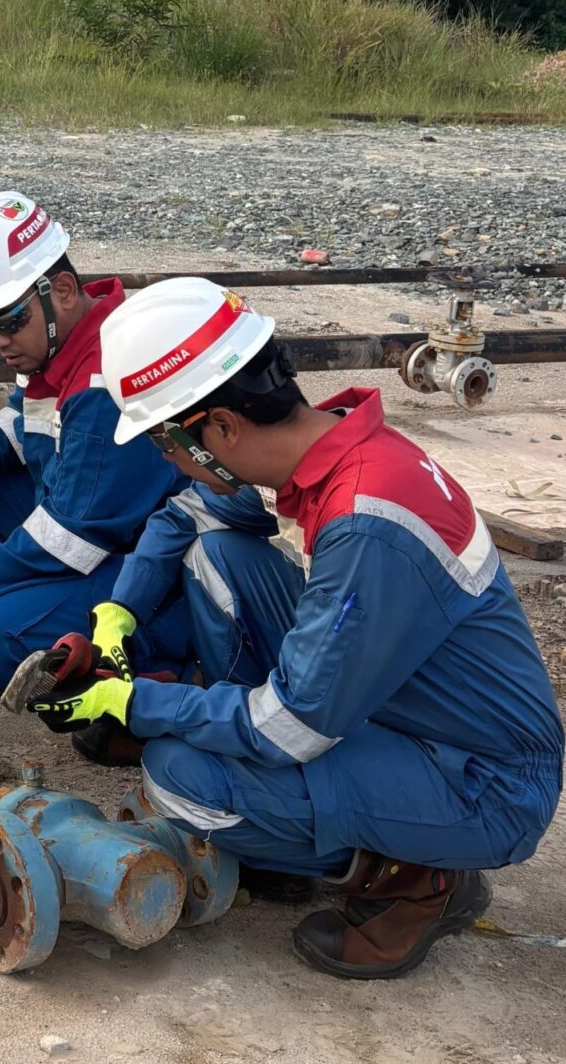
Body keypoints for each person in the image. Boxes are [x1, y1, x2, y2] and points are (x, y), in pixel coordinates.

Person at [33, 276, 563, 980]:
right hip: (408, 709)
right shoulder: (343, 454)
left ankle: (418, 880)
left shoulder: (367, 525)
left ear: (221, 426)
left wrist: (135, 703)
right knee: (222, 555)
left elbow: (291, 726)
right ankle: (295, 812)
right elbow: (188, 516)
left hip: (482, 780)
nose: (165, 459)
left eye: (165, 440)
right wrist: (115, 616)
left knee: (181, 778)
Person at [0, 193, 199, 733]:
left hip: (158, 571)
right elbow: (24, 429)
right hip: (108, 536)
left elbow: (70, 535)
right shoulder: (63, 344)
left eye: (9, 320)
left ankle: (159, 680)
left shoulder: (103, 383)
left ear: (62, 291)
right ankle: (26, 614)